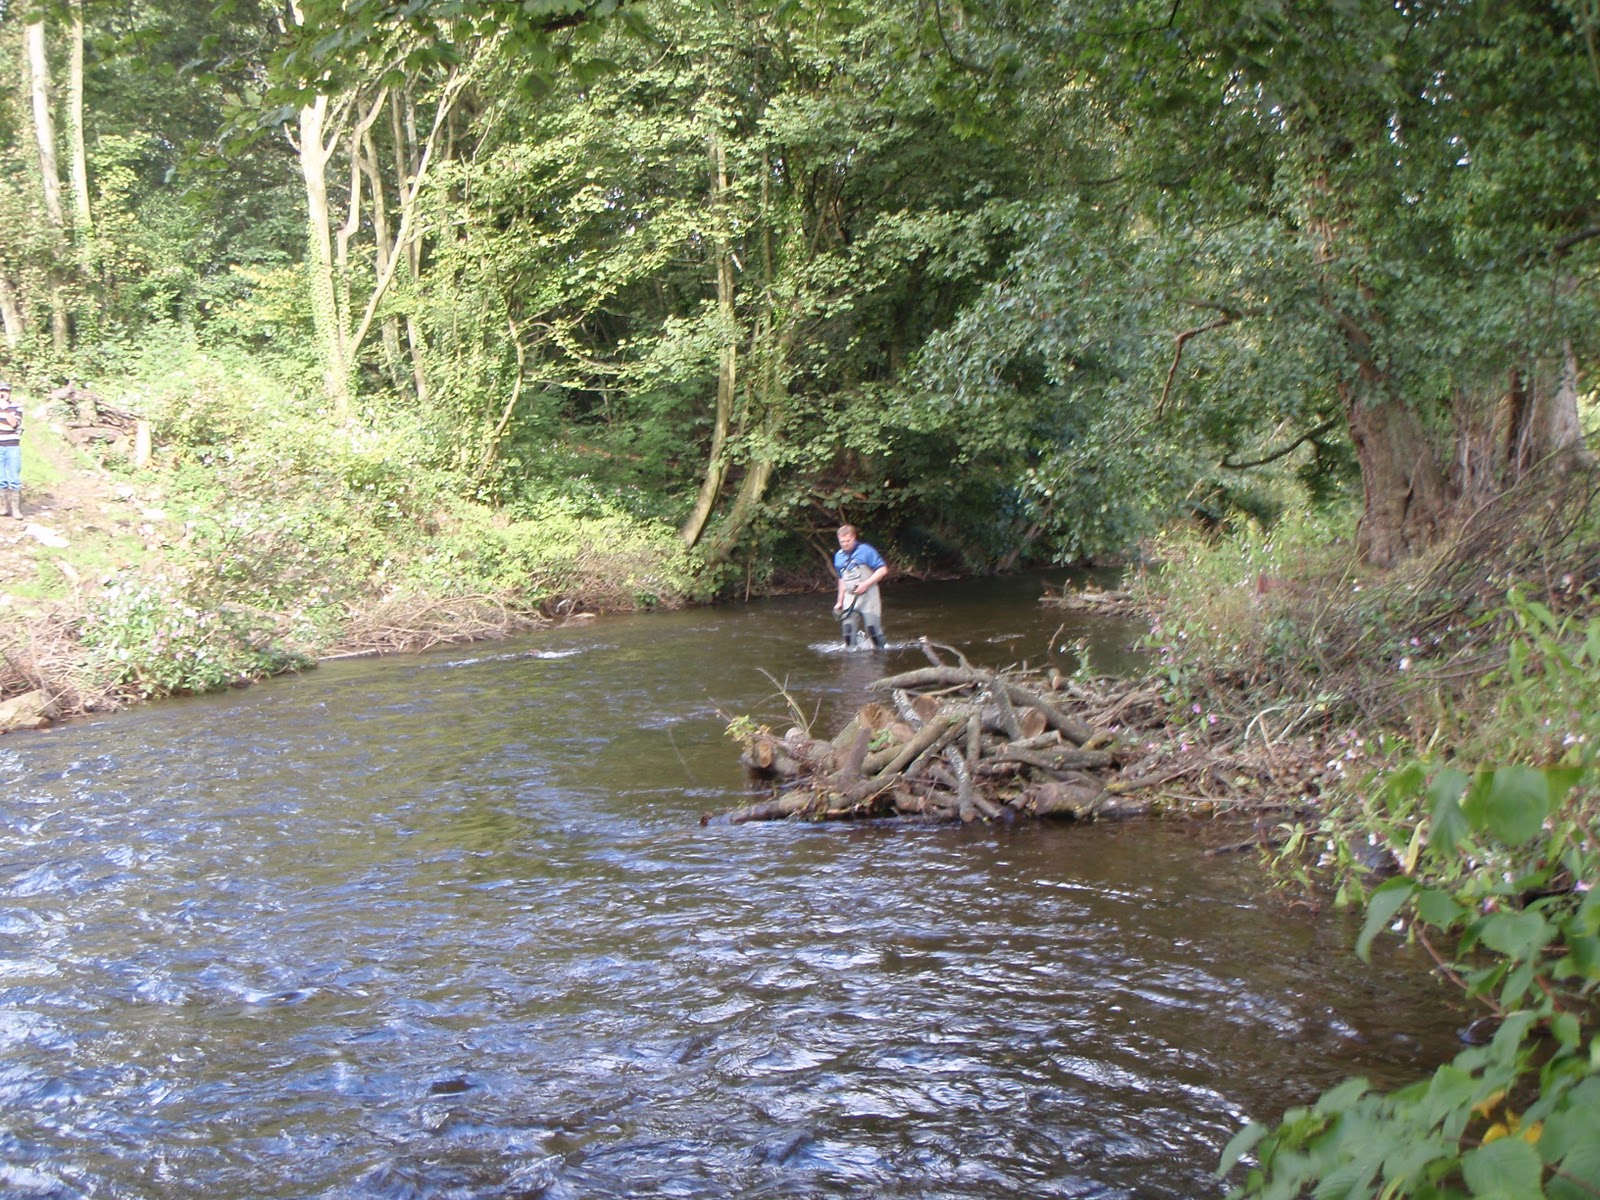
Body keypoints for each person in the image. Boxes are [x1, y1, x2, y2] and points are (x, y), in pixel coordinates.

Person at [832, 524, 888, 649]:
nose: (845, 544)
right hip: (850, 599)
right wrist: (839, 602)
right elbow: (841, 579)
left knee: (873, 631)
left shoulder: (866, 550)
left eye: (848, 541)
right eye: (842, 542)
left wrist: (866, 584)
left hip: (869, 596)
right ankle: (851, 660)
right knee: (847, 632)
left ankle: (881, 654)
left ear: (854, 537)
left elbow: (883, 569)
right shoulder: (838, 556)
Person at [0, 382, 20, 520]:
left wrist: (5, 410)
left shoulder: (16, 407)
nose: (3, 393)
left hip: (12, 445)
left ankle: (16, 509)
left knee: (15, 478)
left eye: (6, 391)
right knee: (1, 478)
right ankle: (4, 506)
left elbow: (14, 424)